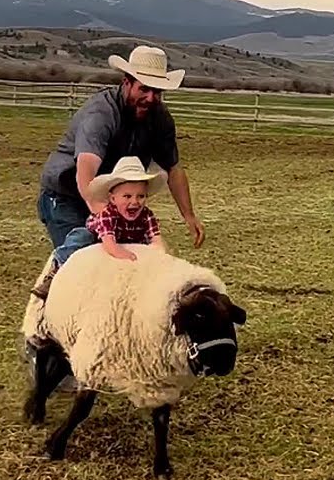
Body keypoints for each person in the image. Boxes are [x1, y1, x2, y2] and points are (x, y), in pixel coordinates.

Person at [34, 44, 204, 276]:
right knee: (83, 257)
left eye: (157, 92)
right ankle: (50, 293)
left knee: (127, 259)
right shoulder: (101, 115)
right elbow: (86, 172)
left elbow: (173, 168)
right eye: (144, 89)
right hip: (67, 195)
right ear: (127, 82)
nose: (150, 98)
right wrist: (105, 217)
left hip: (114, 198)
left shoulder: (160, 118)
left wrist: (189, 215)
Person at [30, 156, 169, 300]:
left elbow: (156, 239)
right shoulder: (107, 214)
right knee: (80, 237)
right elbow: (109, 243)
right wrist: (127, 256)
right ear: (113, 198)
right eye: (127, 196)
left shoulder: (146, 215)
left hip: (129, 240)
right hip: (99, 238)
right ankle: (56, 272)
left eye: (140, 196)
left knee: (153, 249)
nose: (134, 202)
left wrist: (158, 256)